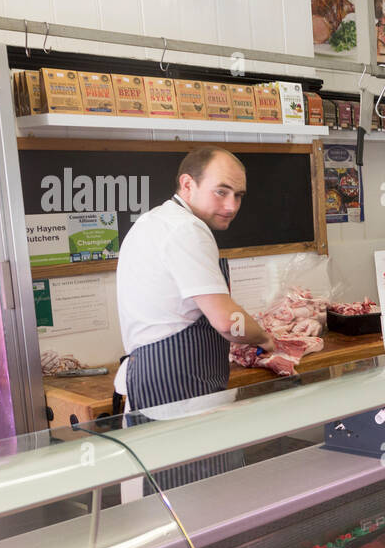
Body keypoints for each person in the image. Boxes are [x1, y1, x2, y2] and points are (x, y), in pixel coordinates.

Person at [115, 147, 277, 419]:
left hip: (152, 383)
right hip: (179, 396)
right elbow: (228, 322)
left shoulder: (155, 221)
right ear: (188, 184)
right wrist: (264, 338)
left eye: (238, 196)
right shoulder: (186, 229)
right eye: (221, 192)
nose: (232, 206)